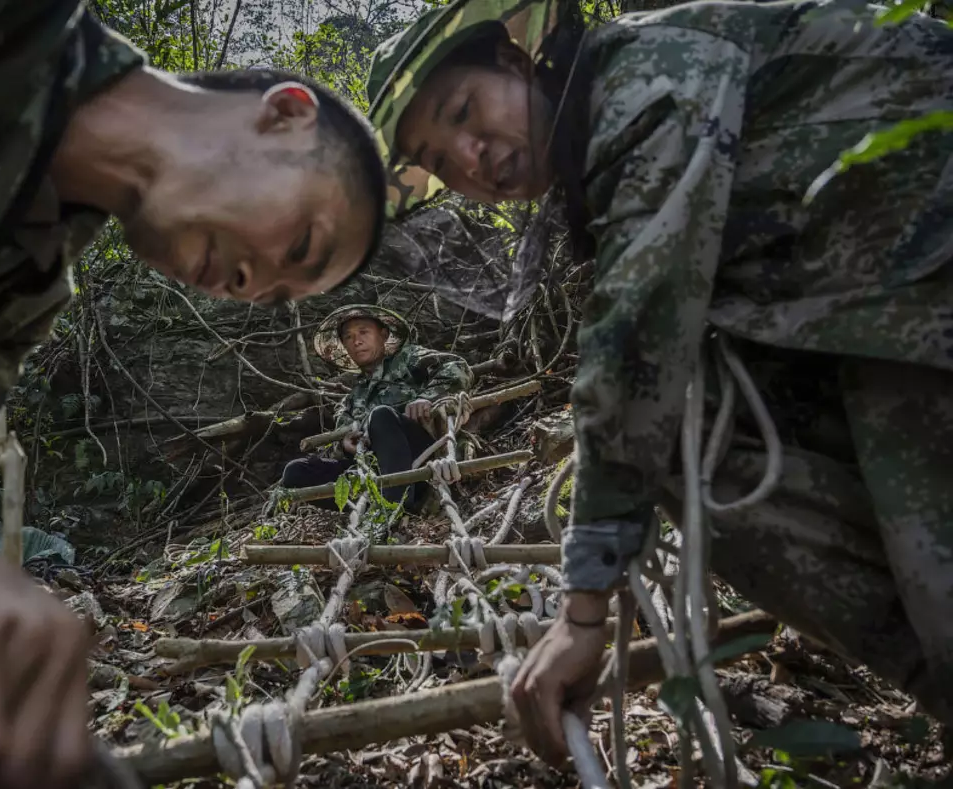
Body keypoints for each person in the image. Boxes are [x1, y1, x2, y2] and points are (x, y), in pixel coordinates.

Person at [0, 4, 387, 787]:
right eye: (299, 243)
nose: (253, 286)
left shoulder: (20, 298)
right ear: (286, 115)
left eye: (281, 296)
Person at [365, 0, 953, 768]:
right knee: (687, 438)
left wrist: (583, 609)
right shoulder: (595, 142)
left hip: (918, 255)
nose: (473, 158)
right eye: (441, 162)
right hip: (862, 302)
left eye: (465, 112)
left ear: (515, 62)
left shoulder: (644, 76)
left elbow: (638, 331)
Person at [280, 304, 472, 511]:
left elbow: (456, 367)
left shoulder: (408, 358)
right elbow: (335, 444)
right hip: (372, 470)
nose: (357, 341)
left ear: (383, 334)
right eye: (348, 337)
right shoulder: (352, 399)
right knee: (295, 471)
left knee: (381, 416)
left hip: (422, 455)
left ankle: (394, 507)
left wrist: (426, 398)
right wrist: (344, 446)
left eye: (363, 332)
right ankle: (374, 504)